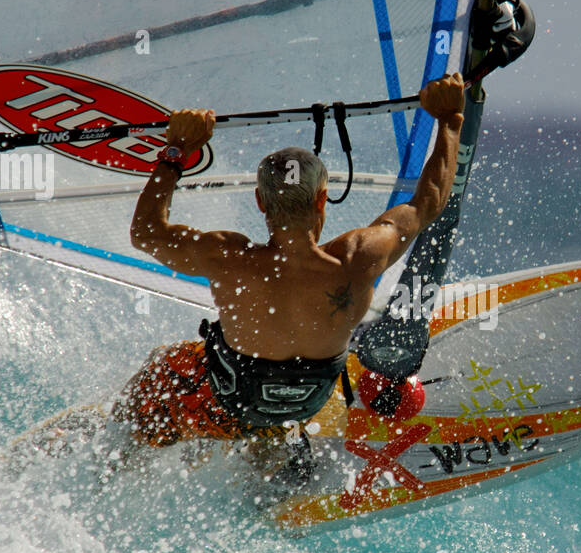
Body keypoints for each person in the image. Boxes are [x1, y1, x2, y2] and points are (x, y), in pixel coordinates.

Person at [111, 72, 466, 479]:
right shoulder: (359, 258)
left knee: (164, 365)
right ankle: (268, 456)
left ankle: (118, 462)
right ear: (321, 197)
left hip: (226, 404)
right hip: (304, 402)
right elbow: (428, 203)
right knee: (279, 402)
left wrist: (177, 149)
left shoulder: (229, 257)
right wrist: (450, 118)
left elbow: (146, 233)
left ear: (260, 201)